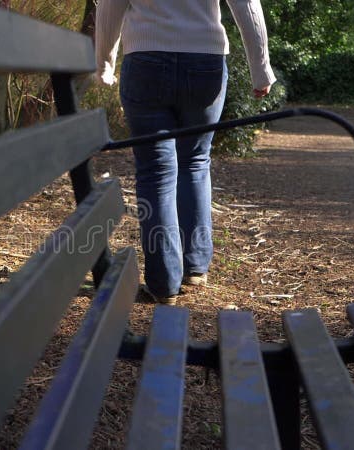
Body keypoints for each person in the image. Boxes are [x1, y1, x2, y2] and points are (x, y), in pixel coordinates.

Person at [95, 0, 276, 304]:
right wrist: (261, 70)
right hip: (205, 61)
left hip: (146, 61)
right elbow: (246, 4)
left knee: (155, 172)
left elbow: (110, 5)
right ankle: (194, 267)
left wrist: (104, 63)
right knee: (194, 162)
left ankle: (163, 284)